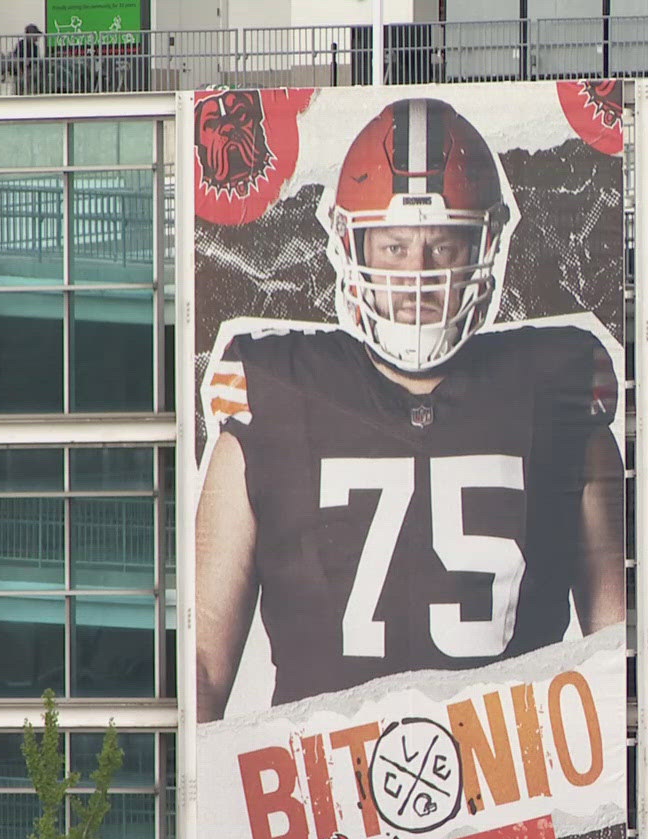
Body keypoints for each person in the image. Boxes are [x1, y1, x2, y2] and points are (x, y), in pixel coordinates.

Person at [195, 97, 624, 722]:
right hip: (321, 802)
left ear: (486, 243)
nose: (417, 277)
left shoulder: (559, 394)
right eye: (394, 248)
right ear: (351, 246)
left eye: (443, 247)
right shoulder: (269, 395)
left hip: (512, 797)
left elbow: (616, 657)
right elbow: (201, 665)